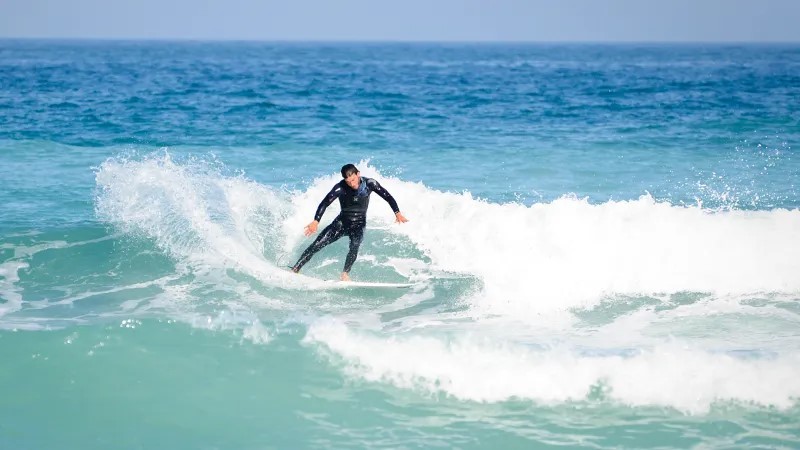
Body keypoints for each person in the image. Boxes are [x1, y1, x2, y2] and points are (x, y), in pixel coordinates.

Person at [291, 164, 408, 281]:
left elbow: (387, 196)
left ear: (358, 174)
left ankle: (345, 274)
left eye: (353, 180)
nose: (352, 184)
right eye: (348, 181)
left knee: (354, 247)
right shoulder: (340, 188)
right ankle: (295, 269)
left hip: (359, 224)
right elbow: (325, 203)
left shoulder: (370, 184)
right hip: (341, 223)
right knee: (316, 244)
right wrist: (316, 221)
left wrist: (397, 213)